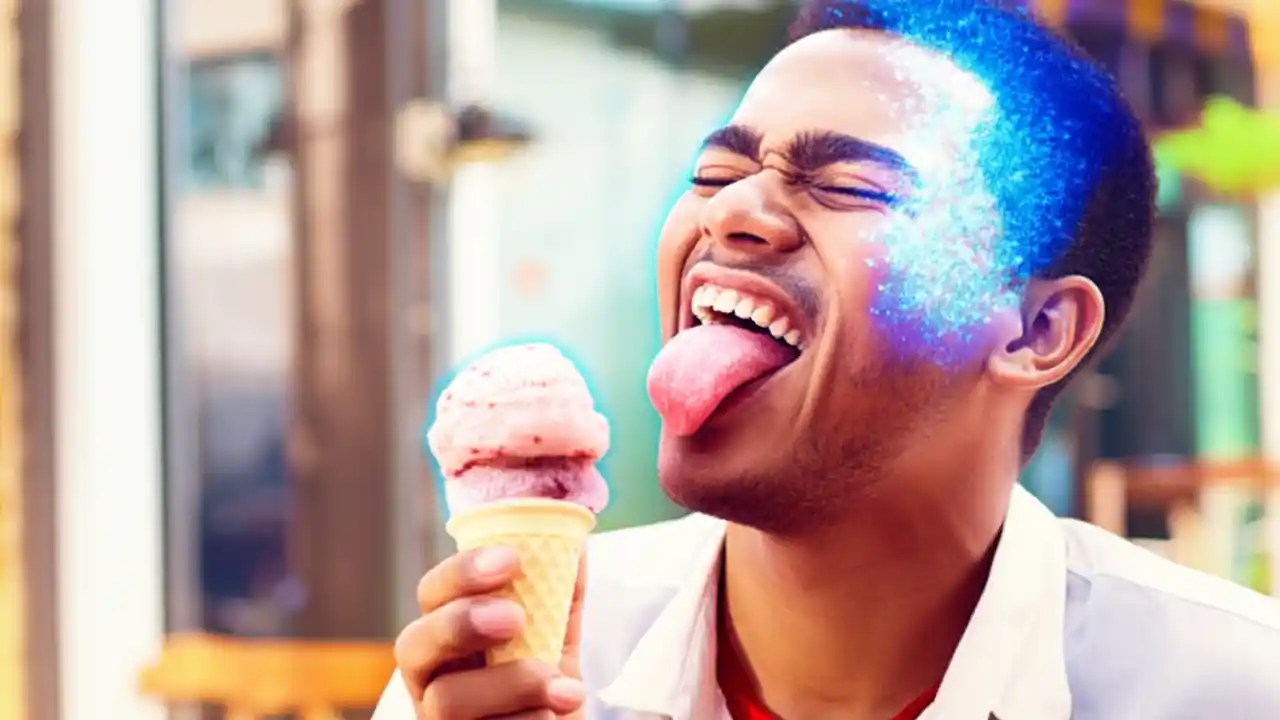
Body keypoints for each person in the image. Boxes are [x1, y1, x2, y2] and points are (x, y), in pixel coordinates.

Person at [375, 1, 1280, 718]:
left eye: (851, 186)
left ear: (1036, 331)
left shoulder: (1231, 689)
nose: (734, 212)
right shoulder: (507, 679)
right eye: (714, 176)